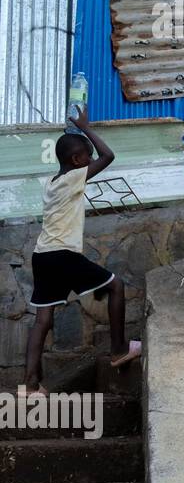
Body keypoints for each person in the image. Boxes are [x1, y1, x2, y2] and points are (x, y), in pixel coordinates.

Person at [23, 107, 139, 396]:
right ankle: (118, 350)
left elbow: (93, 158)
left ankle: (30, 384)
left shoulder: (52, 183)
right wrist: (85, 126)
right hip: (63, 254)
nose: (90, 160)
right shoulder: (74, 177)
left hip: (43, 255)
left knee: (43, 320)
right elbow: (109, 156)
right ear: (76, 161)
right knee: (116, 286)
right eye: (86, 156)